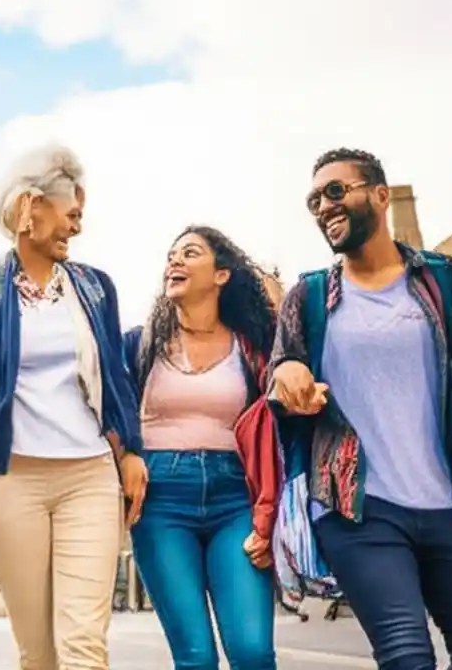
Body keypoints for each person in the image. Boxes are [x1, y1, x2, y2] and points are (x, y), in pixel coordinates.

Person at [270, 147, 452, 669]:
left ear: (381, 196)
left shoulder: (443, 279)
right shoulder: (309, 296)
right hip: (358, 508)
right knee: (406, 656)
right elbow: (283, 376)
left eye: (336, 191)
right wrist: (288, 377)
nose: (324, 206)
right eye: (314, 199)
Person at [0, 145, 145, 669]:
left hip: (89, 478)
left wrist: (131, 451)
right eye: (70, 214)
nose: (76, 227)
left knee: (84, 645)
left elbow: (115, 377)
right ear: (32, 207)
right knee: (39, 651)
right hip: (9, 483)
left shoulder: (95, 288)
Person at [121, 226, 280, 669]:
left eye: (190, 253)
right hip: (161, 500)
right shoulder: (140, 344)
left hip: (236, 498)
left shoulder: (253, 347)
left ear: (222, 275)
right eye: (171, 255)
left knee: (252, 651)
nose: (175, 262)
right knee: (195, 656)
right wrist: (127, 454)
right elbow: (111, 414)